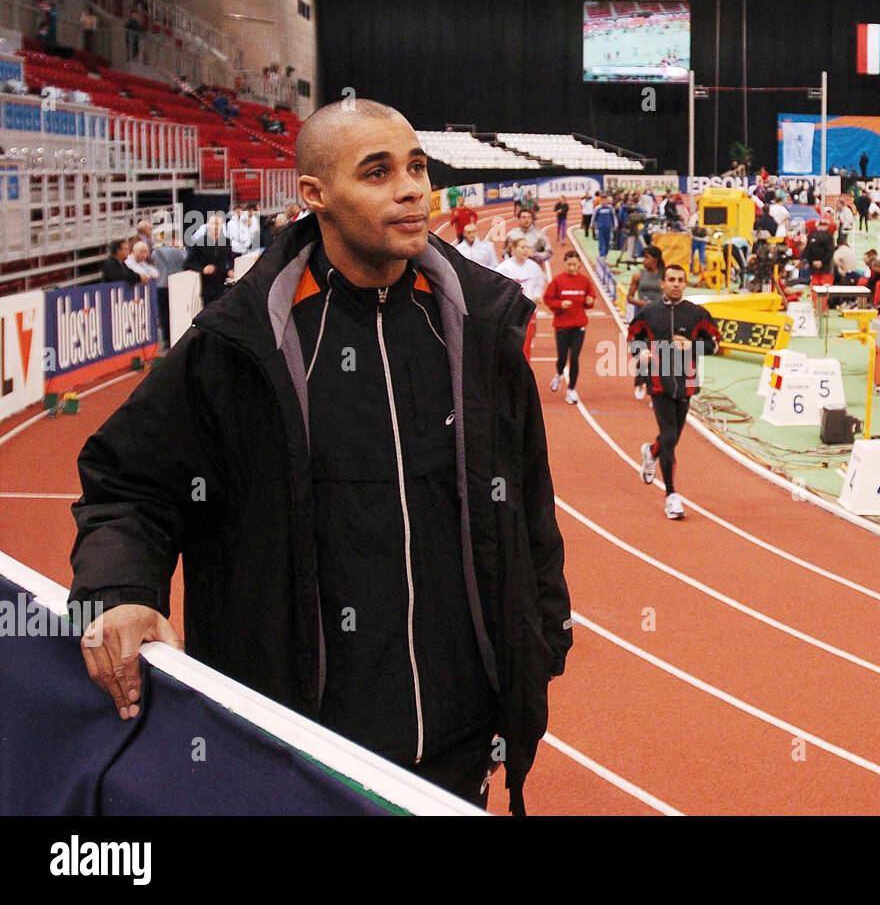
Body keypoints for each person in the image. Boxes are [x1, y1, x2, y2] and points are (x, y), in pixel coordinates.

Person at [67, 98, 571, 814]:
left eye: (417, 168)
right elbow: (128, 484)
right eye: (378, 172)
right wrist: (122, 592)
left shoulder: (478, 329)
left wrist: (541, 637)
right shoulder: (238, 344)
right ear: (315, 195)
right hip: (297, 744)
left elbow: (526, 500)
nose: (410, 189)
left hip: (461, 740)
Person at [628, 265, 721, 519]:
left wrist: (693, 346)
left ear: (685, 284)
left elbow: (715, 344)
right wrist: (640, 351)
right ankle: (671, 496)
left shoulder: (696, 314)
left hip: (686, 383)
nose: (676, 284)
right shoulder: (649, 313)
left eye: (680, 280)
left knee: (671, 439)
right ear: (662, 283)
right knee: (669, 436)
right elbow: (632, 337)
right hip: (659, 384)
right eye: (671, 280)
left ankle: (651, 451)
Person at [543, 250, 597, 404]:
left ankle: (571, 389)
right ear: (564, 263)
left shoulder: (584, 281)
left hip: (579, 325)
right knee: (562, 357)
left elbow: (591, 297)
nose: (572, 267)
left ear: (579, 264)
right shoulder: (557, 281)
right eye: (569, 264)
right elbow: (548, 299)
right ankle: (559, 374)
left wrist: (589, 301)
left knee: (574, 358)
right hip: (561, 325)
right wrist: (560, 304)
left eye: (575, 264)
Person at [184, 212, 234, 306]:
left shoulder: (226, 242)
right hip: (206, 288)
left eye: (218, 224)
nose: (215, 227)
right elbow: (187, 264)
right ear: (207, 225)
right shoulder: (200, 242)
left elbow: (230, 260)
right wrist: (203, 269)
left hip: (222, 287)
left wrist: (229, 270)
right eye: (212, 224)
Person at [592, 193, 616, 259]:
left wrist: (615, 225)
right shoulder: (597, 208)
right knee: (601, 242)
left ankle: (605, 253)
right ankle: (601, 255)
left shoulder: (610, 208)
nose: (604, 202)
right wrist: (592, 225)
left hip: (608, 228)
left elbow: (613, 217)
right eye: (602, 200)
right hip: (600, 228)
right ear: (601, 200)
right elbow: (594, 217)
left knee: (607, 242)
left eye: (605, 200)